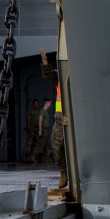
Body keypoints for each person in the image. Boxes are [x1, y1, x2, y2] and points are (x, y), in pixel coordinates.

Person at [41, 48, 69, 191]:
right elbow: (48, 75)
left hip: (76, 115)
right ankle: (63, 172)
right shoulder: (61, 74)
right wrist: (45, 62)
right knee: (57, 146)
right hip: (60, 116)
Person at [21, 99, 46, 164]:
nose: (36, 105)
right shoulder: (31, 111)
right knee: (29, 142)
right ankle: (24, 155)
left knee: (38, 143)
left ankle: (33, 156)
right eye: (35, 104)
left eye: (37, 104)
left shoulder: (40, 111)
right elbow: (28, 120)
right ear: (33, 104)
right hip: (32, 128)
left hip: (38, 128)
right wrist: (29, 128)